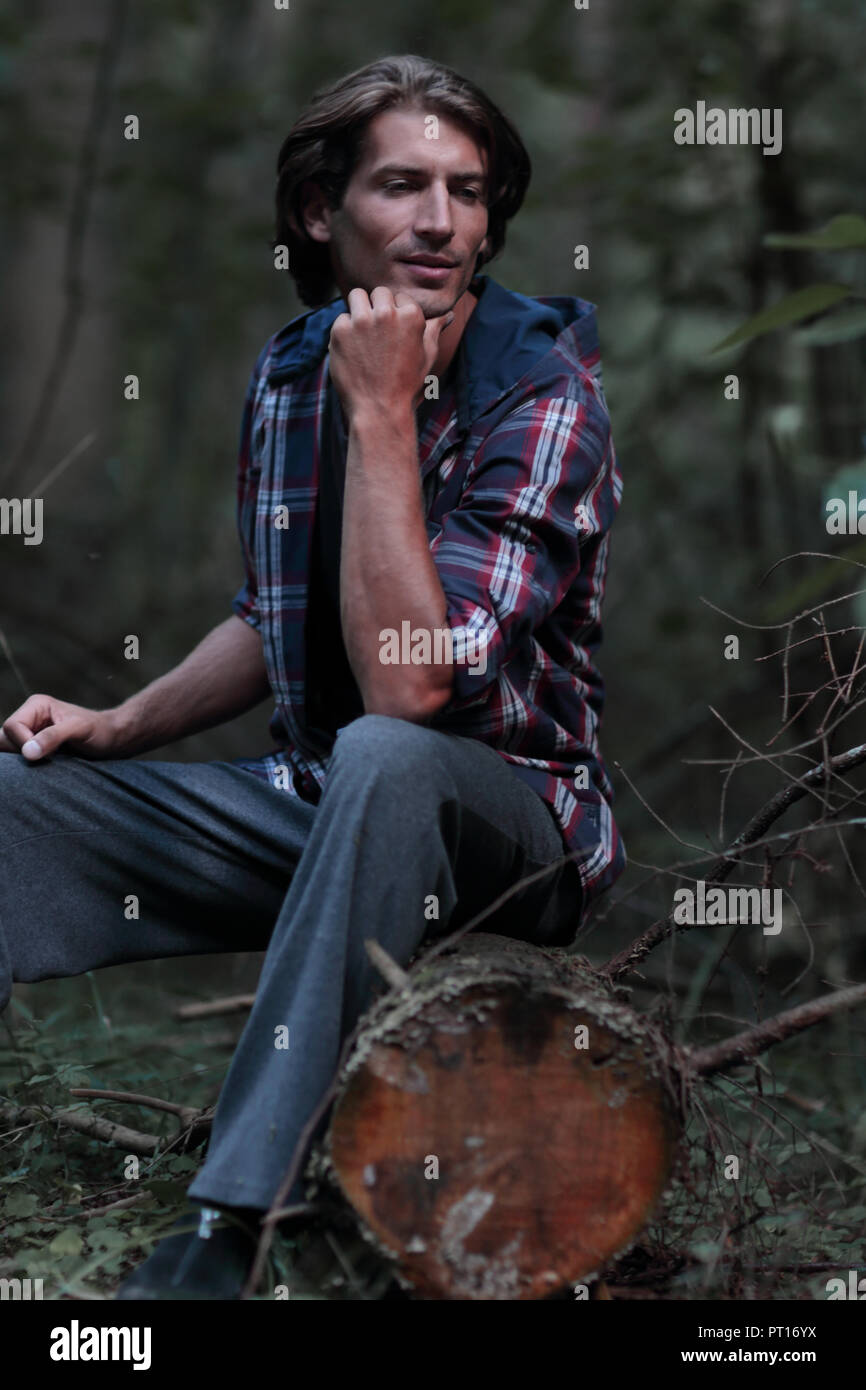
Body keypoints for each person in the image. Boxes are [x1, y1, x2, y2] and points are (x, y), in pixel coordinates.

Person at [0, 53, 626, 1299]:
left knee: (384, 754)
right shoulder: (292, 372)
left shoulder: (543, 395)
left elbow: (406, 691)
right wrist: (117, 721)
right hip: (320, 800)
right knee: (17, 795)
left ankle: (232, 1224)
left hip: (506, 827)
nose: (442, 221)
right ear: (316, 210)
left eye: (467, 188)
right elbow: (271, 612)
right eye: (402, 186)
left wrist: (386, 418)